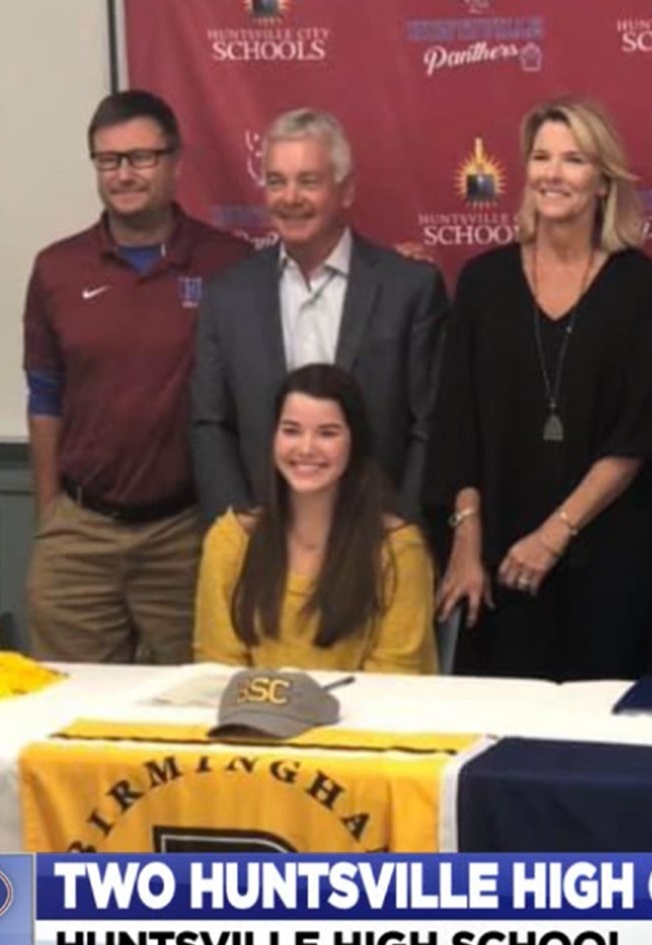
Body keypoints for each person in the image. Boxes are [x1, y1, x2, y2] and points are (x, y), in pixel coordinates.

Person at [425, 96, 652, 681]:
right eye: (541, 157)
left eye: (573, 159)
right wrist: (466, 544)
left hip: (608, 560)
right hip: (500, 567)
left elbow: (641, 435)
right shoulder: (484, 281)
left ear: (603, 181)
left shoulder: (641, 287)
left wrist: (555, 534)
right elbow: (456, 426)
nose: (553, 173)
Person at [23, 90, 253, 664]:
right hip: (80, 532)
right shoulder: (56, 268)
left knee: (186, 713)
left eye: (141, 158)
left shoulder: (231, 263)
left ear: (175, 162)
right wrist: (51, 511)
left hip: (186, 533)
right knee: (68, 713)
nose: (124, 174)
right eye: (109, 160)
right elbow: (45, 397)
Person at [192, 108, 449, 525]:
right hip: (263, 542)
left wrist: (404, 527)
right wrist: (236, 523)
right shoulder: (227, 296)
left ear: (345, 190)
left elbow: (430, 425)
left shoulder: (409, 289)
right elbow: (211, 423)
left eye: (308, 181)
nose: (290, 198)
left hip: (378, 540)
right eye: (276, 182)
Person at [194, 364, 438, 673]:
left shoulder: (400, 550)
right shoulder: (229, 542)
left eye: (327, 433)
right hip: (249, 720)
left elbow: (394, 684)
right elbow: (217, 674)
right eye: (291, 430)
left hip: (362, 719)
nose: (306, 448)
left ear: (355, 441)